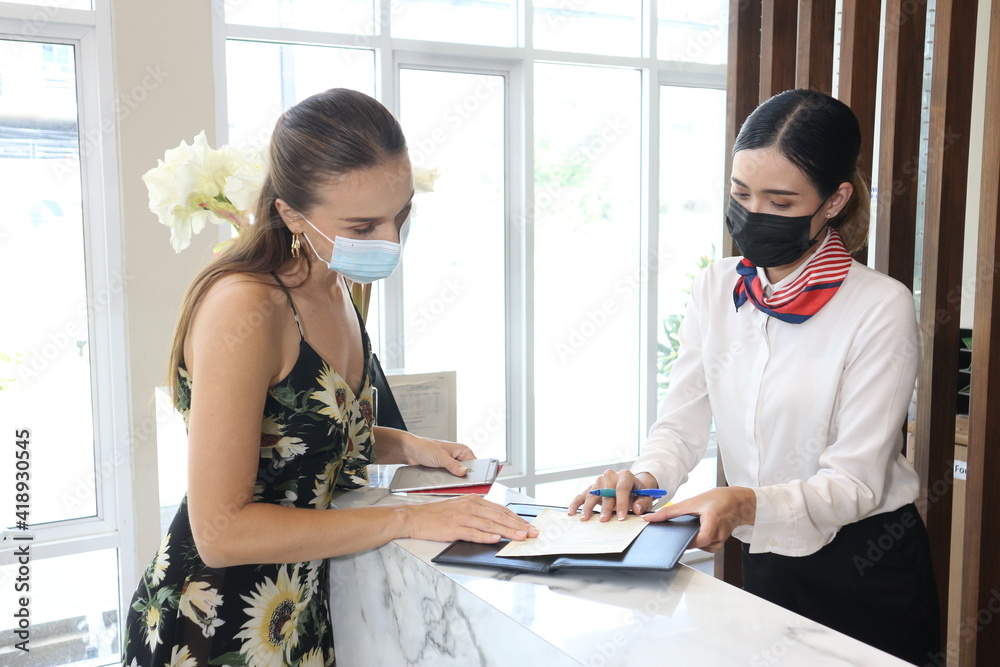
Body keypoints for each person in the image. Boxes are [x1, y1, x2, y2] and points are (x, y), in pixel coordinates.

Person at [122, 88, 537, 667]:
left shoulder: (341, 282)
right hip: (215, 621)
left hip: (300, 608)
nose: (390, 242)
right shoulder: (245, 308)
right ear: (291, 213)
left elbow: (308, 430)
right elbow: (220, 531)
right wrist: (409, 518)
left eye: (402, 215)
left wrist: (408, 445)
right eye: (364, 225)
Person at [569, 89, 940, 665]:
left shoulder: (879, 306)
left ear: (835, 199)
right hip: (763, 556)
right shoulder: (717, 289)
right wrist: (643, 477)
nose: (753, 214)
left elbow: (855, 484)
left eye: (781, 201)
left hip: (866, 567)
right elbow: (681, 426)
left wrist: (742, 502)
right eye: (741, 194)